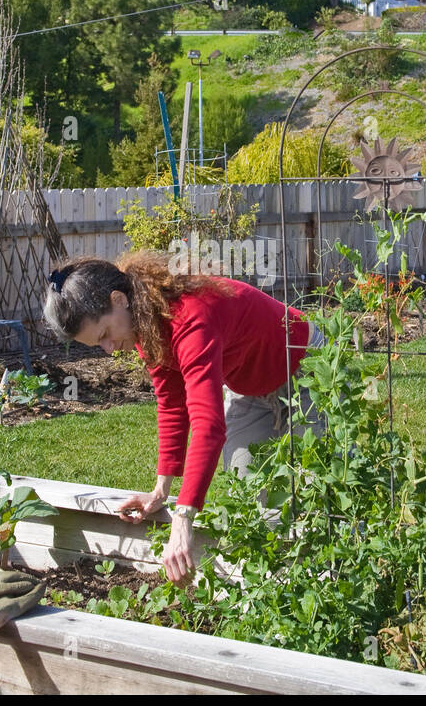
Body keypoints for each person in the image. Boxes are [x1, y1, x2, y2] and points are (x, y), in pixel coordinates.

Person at [41, 251, 325, 586]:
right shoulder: (144, 325)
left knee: (318, 486)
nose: (108, 348)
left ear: (118, 299)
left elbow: (208, 425)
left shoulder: (190, 317)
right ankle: (290, 587)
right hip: (251, 386)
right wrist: (161, 492)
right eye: (97, 344)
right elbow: (172, 403)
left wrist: (183, 518)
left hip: (307, 366)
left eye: (104, 334)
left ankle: (336, 577)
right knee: (251, 478)